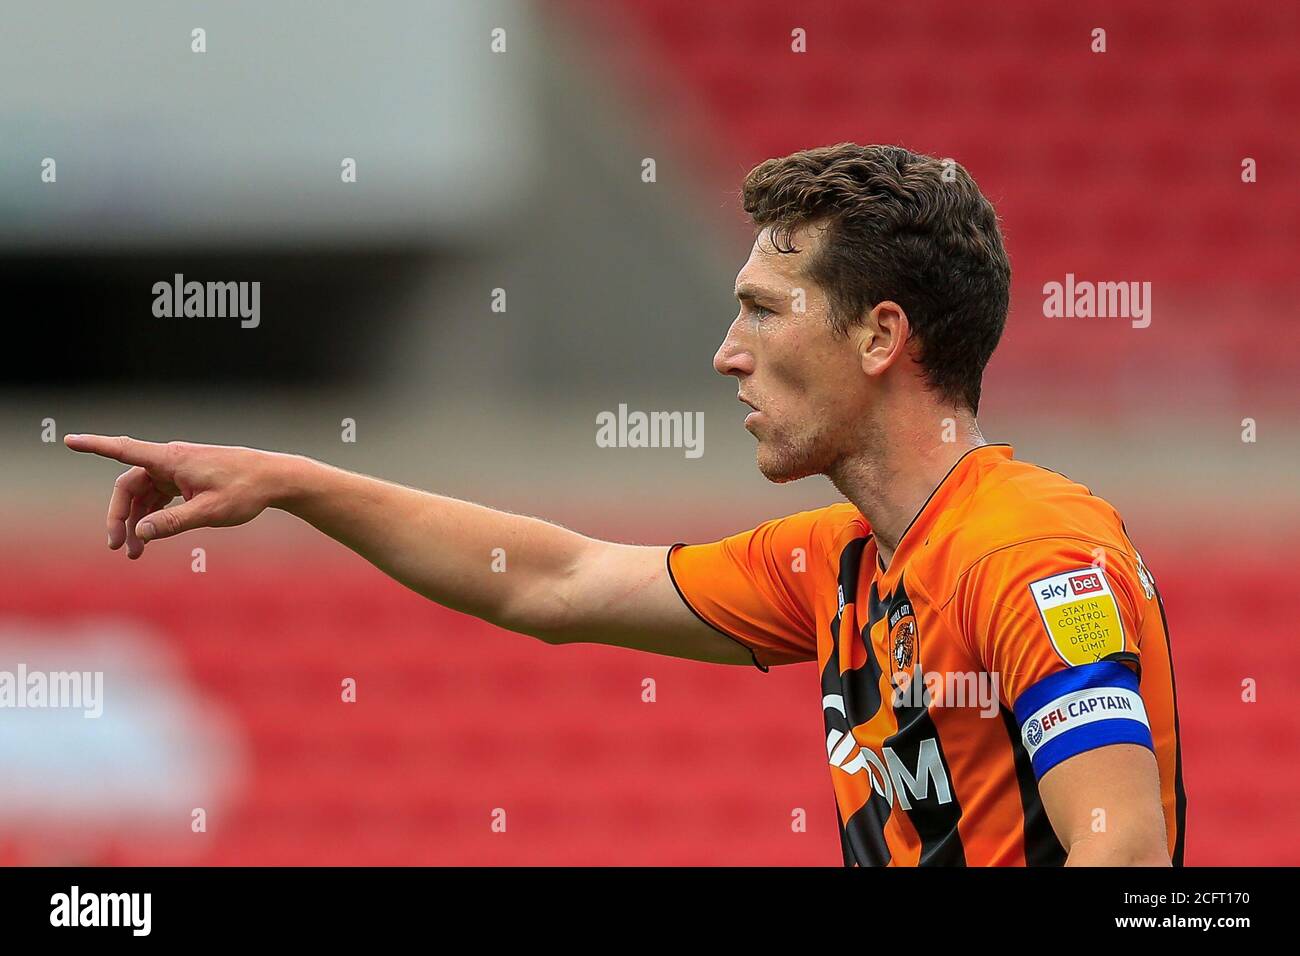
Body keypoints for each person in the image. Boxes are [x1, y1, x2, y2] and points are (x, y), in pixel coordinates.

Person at [66, 143, 1184, 866]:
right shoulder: (844, 560)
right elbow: (556, 579)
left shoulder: (1028, 551)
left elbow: (1122, 850)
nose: (726, 354)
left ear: (880, 335)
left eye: (762, 311)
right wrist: (292, 483)